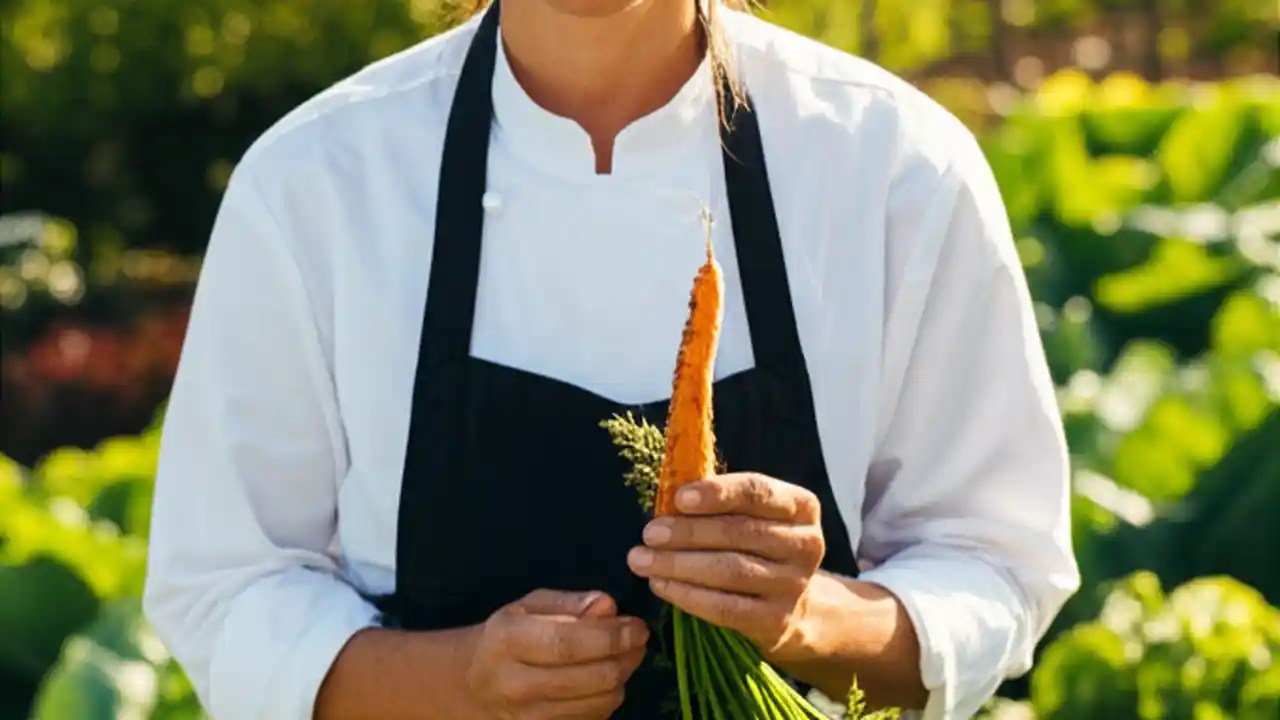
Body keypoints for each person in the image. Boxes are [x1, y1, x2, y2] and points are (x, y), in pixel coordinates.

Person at [142, 0, 1079, 718]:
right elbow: (225, 586)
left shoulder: (894, 166)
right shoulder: (316, 182)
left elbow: (997, 561)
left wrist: (812, 619)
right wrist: (459, 686)